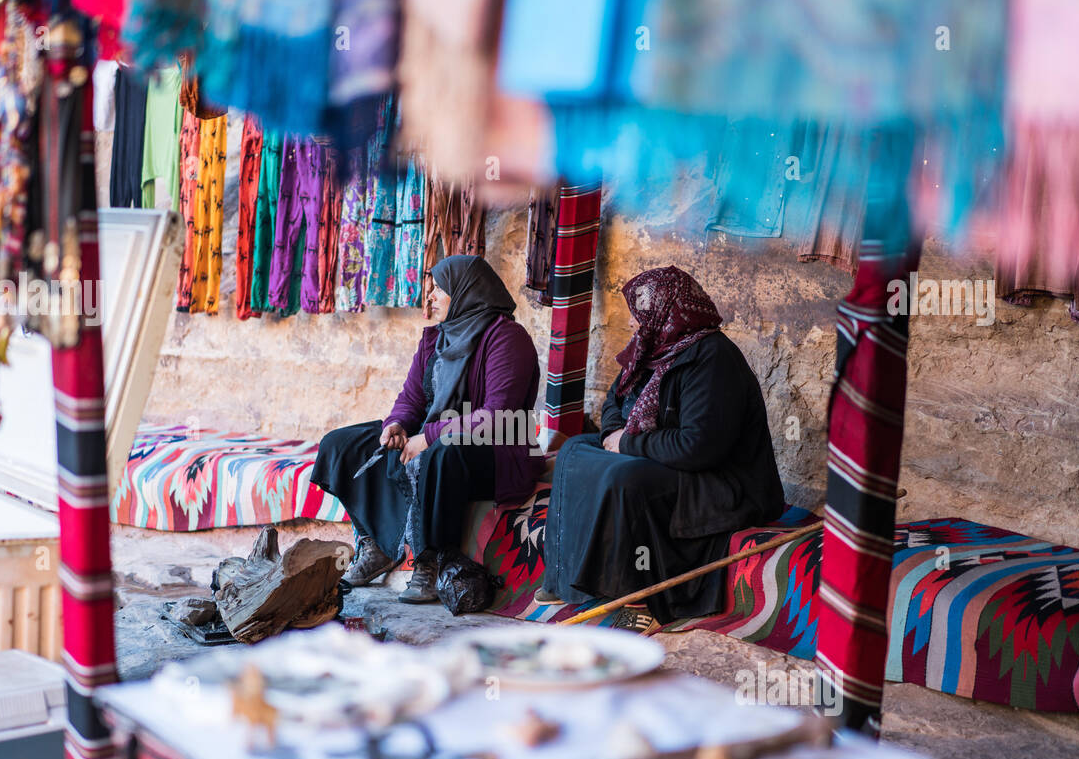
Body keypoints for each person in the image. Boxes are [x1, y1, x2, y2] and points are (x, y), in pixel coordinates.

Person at [536, 266, 784, 623]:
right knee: (575, 451)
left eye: (640, 316)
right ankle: (566, 579)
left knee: (627, 479)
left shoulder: (712, 358)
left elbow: (697, 447)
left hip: (721, 482)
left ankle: (635, 600)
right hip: (656, 455)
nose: (635, 325)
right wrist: (613, 437)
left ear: (668, 312)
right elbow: (614, 404)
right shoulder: (650, 349)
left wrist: (628, 444)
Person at [311, 255, 544, 603]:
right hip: (439, 434)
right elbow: (412, 397)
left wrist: (429, 437)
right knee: (343, 444)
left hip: (498, 449)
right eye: (430, 289)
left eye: (439, 289)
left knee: (441, 454)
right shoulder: (436, 338)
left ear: (466, 292)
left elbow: (498, 416)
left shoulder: (507, 339)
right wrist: (398, 425)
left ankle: (429, 561)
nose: (430, 297)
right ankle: (374, 543)